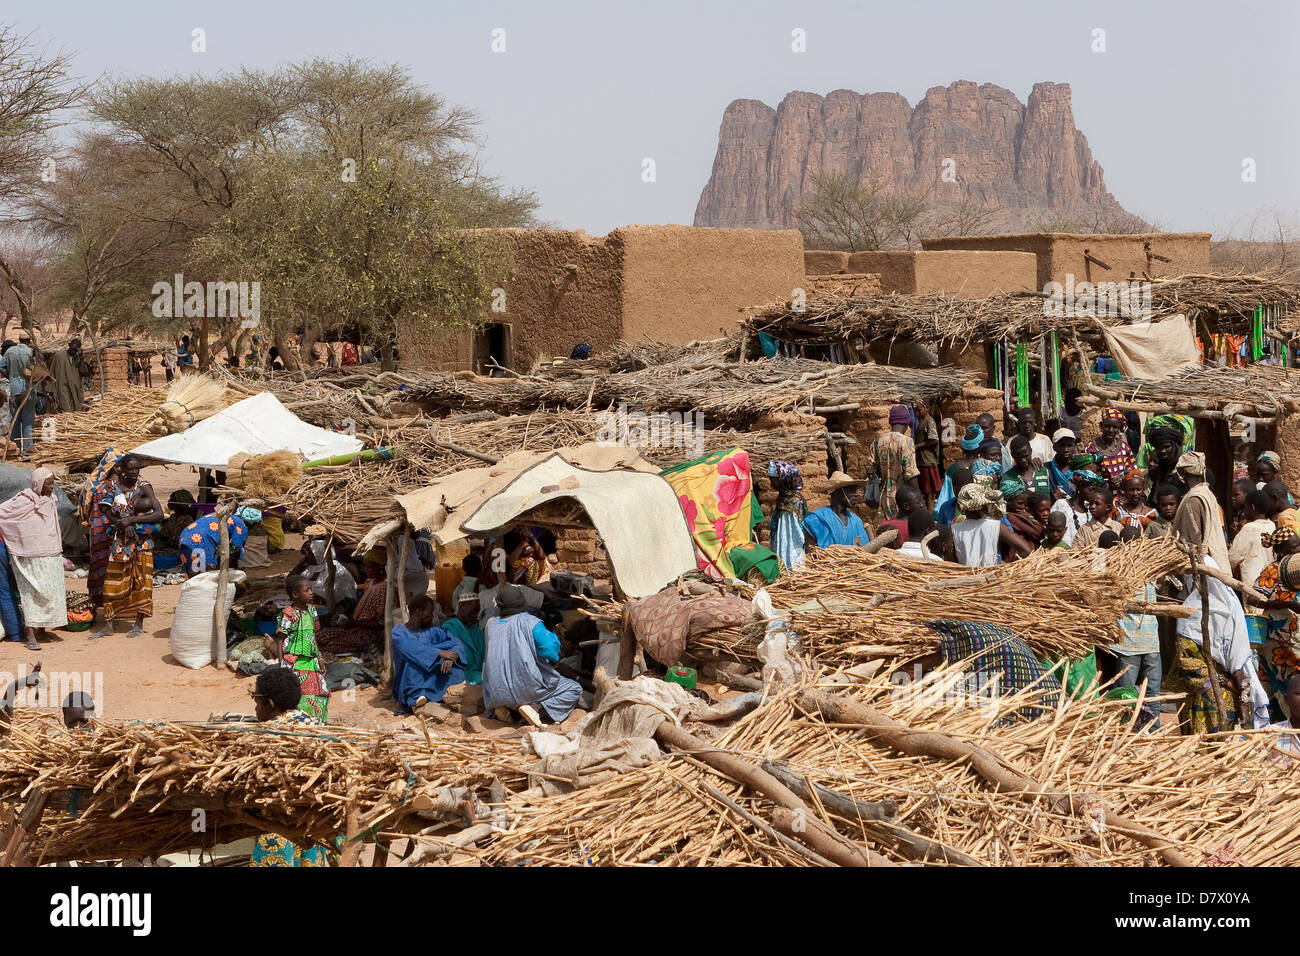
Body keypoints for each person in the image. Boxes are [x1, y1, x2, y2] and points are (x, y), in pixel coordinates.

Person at [1172, 553, 1271, 733]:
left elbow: (1186, 661)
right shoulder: (1232, 607)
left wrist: (1222, 680)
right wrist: (1243, 700)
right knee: (1228, 748)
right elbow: (1242, 663)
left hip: (1203, 698)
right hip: (1235, 694)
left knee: (1202, 751)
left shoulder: (1188, 612)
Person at [482, 584, 582, 723]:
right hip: (528, 688)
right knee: (574, 689)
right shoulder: (530, 622)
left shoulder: (490, 625)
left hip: (496, 692)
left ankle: (508, 709)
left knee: (515, 690)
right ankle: (535, 709)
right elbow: (549, 647)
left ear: (500, 606)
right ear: (523, 602)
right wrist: (553, 660)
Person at [92, 454, 163, 637]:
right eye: (131, 468)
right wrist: (123, 524)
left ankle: (138, 623)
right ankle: (109, 624)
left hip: (141, 542)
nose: (134, 472)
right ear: (121, 469)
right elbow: (107, 511)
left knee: (141, 582)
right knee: (113, 581)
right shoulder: (112, 487)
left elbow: (159, 514)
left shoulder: (144, 486)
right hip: (121, 541)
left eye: (137, 468)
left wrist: (132, 520)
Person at [1101, 526, 1162, 729]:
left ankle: (1138, 728)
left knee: (1131, 690)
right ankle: (1143, 728)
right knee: (1145, 690)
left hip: (1136, 643)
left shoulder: (1123, 569)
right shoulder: (1145, 569)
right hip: (1141, 643)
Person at [0, 467, 67, 649]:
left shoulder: (50, 500)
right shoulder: (23, 500)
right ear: (38, 483)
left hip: (50, 553)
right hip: (27, 556)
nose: (52, 487)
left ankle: (42, 630)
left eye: (53, 483)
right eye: (48, 483)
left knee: (49, 593)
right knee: (31, 594)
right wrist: (17, 537)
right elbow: (3, 514)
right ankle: (30, 636)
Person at [391, 595, 468, 713]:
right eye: (429, 613)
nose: (432, 616)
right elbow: (408, 648)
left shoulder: (435, 630)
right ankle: (417, 696)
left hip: (434, 673)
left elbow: (456, 642)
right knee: (412, 663)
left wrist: (452, 656)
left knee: (455, 669)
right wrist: (439, 652)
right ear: (418, 612)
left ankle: (438, 694)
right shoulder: (398, 631)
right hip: (410, 679)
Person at [274, 574, 330, 722]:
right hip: (293, 661)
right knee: (295, 694)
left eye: (311, 589)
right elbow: (281, 639)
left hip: (311, 661)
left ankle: (317, 722)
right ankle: (297, 723)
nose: (311, 592)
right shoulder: (288, 612)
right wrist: (281, 664)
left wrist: (320, 658)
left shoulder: (312, 611)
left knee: (319, 692)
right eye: (307, 590)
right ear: (295, 594)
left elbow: (313, 636)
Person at [1171, 452, 1230, 574]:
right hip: (1214, 561)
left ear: (1184, 473)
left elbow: (1192, 541)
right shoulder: (1207, 493)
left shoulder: (1193, 499)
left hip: (1200, 565)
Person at [317, 555, 388, 654]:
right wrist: (347, 617)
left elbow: (382, 623)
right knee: (320, 636)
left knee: (328, 645)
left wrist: (354, 623)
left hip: (370, 634)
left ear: (379, 567)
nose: (365, 570)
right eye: (365, 567)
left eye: (369, 567)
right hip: (356, 627)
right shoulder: (370, 582)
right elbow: (363, 611)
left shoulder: (385, 587)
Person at [951, 483, 1031, 567]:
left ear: (961, 507)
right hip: (991, 578)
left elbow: (950, 563)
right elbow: (1027, 550)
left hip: (964, 578)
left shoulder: (954, 529)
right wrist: (1009, 567)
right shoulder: (995, 526)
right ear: (985, 504)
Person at [870, 404, 920, 520]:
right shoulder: (906, 442)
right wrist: (918, 501)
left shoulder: (877, 443)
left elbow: (873, 470)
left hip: (883, 500)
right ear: (907, 423)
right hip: (902, 500)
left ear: (890, 422)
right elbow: (911, 475)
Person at [178, 507, 257, 577]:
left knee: (195, 577)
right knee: (203, 578)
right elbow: (234, 549)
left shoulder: (224, 516)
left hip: (184, 538)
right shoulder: (240, 525)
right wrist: (233, 569)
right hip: (199, 541)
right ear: (252, 524)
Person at [767, 460, 811, 572]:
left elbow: (793, 533)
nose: (771, 484)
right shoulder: (783, 497)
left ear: (783, 479)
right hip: (782, 541)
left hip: (791, 545)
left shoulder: (792, 500)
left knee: (790, 567)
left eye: (774, 480)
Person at [804, 473, 869, 548]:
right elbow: (810, 552)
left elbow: (864, 550)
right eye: (851, 491)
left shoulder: (856, 522)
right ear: (838, 492)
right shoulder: (816, 520)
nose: (856, 495)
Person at [1228, 490, 1275, 592]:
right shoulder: (1271, 525)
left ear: (1252, 508)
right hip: (1270, 579)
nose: (1244, 511)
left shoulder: (1249, 528)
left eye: (1245, 507)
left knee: (1252, 606)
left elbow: (1233, 558)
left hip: (1252, 580)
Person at [1086, 407, 1137, 489]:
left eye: (1115, 427)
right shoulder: (1091, 448)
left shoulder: (1125, 448)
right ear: (1101, 426)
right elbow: (1085, 475)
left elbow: (1133, 472)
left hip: (1121, 496)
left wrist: (1122, 478)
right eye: (1107, 426)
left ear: (1119, 428)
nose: (1111, 430)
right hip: (1099, 495)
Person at [0, 332, 35, 456]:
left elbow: (1, 367)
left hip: (14, 389)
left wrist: (10, 376)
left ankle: (15, 448)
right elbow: (37, 369)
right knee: (28, 419)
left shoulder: (10, 351)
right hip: (28, 390)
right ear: (29, 341)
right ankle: (27, 448)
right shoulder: (30, 352)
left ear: (19, 339)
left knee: (14, 419)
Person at [252, 666, 322, 726]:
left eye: (257, 702)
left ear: (269, 704)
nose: (255, 708)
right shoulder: (317, 723)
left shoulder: (267, 733)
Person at [441, 593, 486, 686]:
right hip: (460, 674)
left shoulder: (475, 630)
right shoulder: (449, 627)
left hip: (478, 672)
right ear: (461, 606)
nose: (475, 615)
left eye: (477, 612)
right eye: (472, 611)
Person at [1142, 417, 1188, 502]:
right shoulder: (1161, 467)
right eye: (1159, 448)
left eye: (1167, 447)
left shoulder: (1185, 466)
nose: (1163, 451)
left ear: (1174, 445)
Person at [1072, 486, 1124, 551]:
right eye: (1091, 503)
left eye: (1097, 504)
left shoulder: (1118, 527)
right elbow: (1076, 553)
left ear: (1107, 507)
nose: (1092, 507)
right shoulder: (1084, 530)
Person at [1000, 475, 1043, 553]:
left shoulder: (1007, 516)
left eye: (1024, 504)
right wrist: (1026, 516)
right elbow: (1039, 533)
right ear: (1007, 502)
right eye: (1020, 503)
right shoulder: (1012, 517)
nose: (1023, 507)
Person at [913, 400, 942, 511]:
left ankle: (929, 514)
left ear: (926, 408)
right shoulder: (922, 421)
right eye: (916, 411)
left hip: (928, 460)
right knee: (926, 490)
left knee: (929, 491)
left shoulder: (929, 421)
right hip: (923, 460)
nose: (917, 414)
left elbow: (934, 440)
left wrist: (917, 446)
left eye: (919, 410)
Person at [49, 339, 88, 413]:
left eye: (75, 350)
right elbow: (52, 372)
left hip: (75, 388)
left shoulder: (77, 359)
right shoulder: (59, 356)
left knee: (76, 409)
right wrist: (51, 389)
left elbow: (84, 372)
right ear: (69, 346)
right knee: (65, 408)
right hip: (62, 386)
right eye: (72, 349)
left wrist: (81, 360)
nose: (73, 351)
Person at [1046, 428, 1079, 499]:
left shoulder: (1081, 466)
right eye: (1062, 446)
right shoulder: (1046, 469)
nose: (1066, 449)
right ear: (1054, 447)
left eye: (1069, 445)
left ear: (1074, 446)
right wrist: (1052, 498)